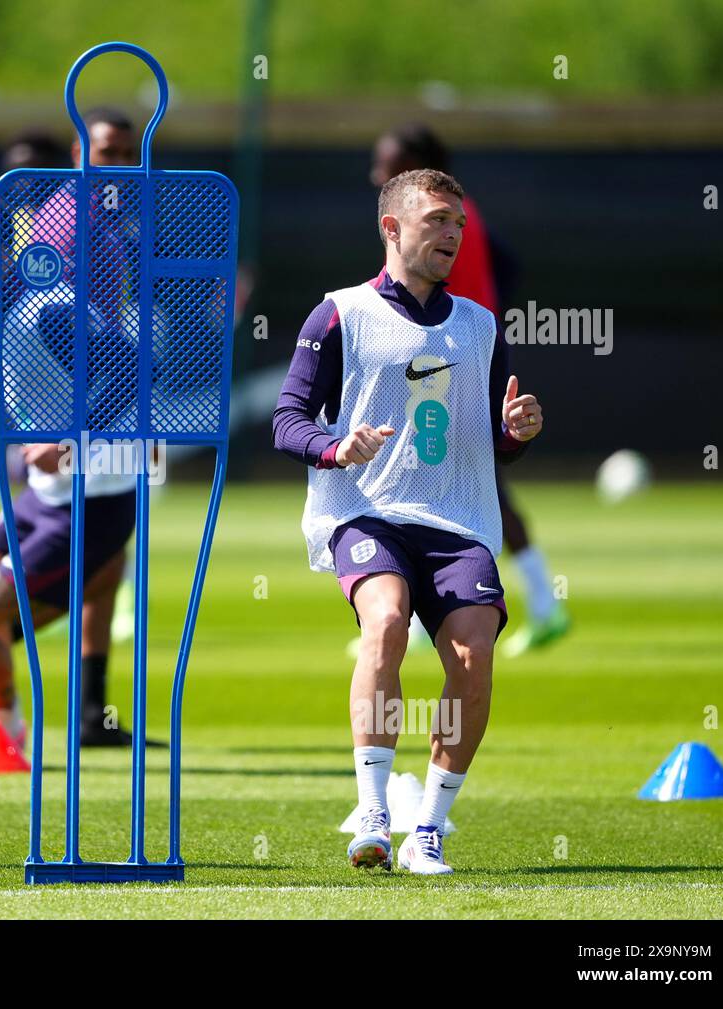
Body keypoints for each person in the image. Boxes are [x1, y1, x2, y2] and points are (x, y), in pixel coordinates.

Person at [272, 168, 544, 873]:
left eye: (457, 221)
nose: (451, 233)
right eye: (435, 220)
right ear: (391, 227)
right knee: (387, 621)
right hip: (364, 511)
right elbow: (286, 421)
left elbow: (496, 441)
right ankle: (372, 809)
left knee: (472, 655)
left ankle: (429, 825)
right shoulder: (338, 314)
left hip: (457, 522)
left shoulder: (479, 325)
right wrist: (336, 447)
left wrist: (515, 429)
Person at [0, 186, 142, 776]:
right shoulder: (0, 309)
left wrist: (68, 440)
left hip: (91, 505)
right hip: (47, 498)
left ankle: (6, 733)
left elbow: (132, 369)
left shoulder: (45, 309)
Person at [370, 123, 569, 656]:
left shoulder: (441, 222)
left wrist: (470, 320)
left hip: (448, 354)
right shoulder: (465, 215)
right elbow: (510, 266)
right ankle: (542, 602)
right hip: (449, 349)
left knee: (449, 472)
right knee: (457, 473)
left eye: (387, 165)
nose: (376, 175)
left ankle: (420, 611)